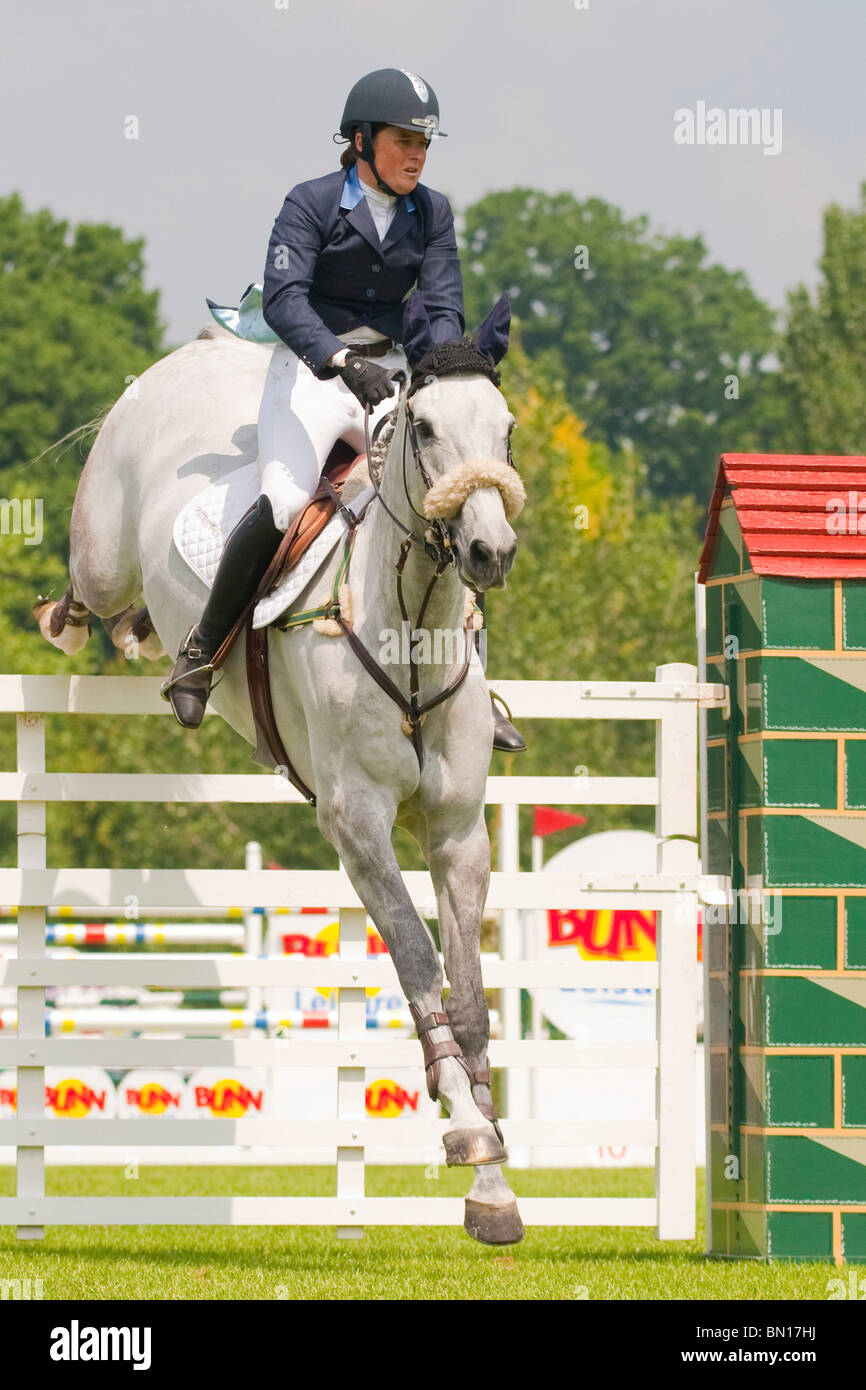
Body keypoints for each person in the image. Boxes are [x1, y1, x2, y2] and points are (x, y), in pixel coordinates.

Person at [163, 67, 525, 751]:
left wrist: (441, 377)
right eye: (402, 141)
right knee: (283, 498)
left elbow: (443, 304)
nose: (417, 155)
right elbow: (283, 300)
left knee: (448, 497)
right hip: (310, 371)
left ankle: (476, 679)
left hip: (391, 374)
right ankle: (202, 652)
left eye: (425, 143)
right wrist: (338, 359)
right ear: (361, 141)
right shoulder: (312, 202)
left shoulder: (433, 213)